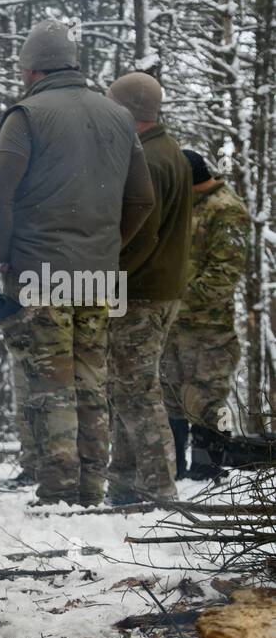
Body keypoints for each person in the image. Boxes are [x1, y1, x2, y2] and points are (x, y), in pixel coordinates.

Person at [0, 20, 154, 507]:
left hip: (40, 271)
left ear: (31, 69)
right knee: (90, 377)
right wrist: (108, 246)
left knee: (53, 379)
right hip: (100, 274)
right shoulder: (119, 116)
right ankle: (91, 488)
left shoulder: (26, 115)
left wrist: (4, 258)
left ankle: (59, 490)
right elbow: (142, 200)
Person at [106, 72, 193, 504]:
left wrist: (107, 277)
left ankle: (159, 486)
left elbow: (141, 236)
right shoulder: (166, 150)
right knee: (126, 385)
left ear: (128, 112)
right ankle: (123, 482)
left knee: (137, 389)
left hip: (141, 290)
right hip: (156, 288)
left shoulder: (151, 159)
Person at [162, 150, 250, 480]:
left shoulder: (227, 210)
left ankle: (208, 465)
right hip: (175, 325)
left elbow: (224, 275)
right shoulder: (185, 207)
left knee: (208, 396)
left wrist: (178, 303)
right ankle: (176, 468)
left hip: (209, 328)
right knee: (170, 393)